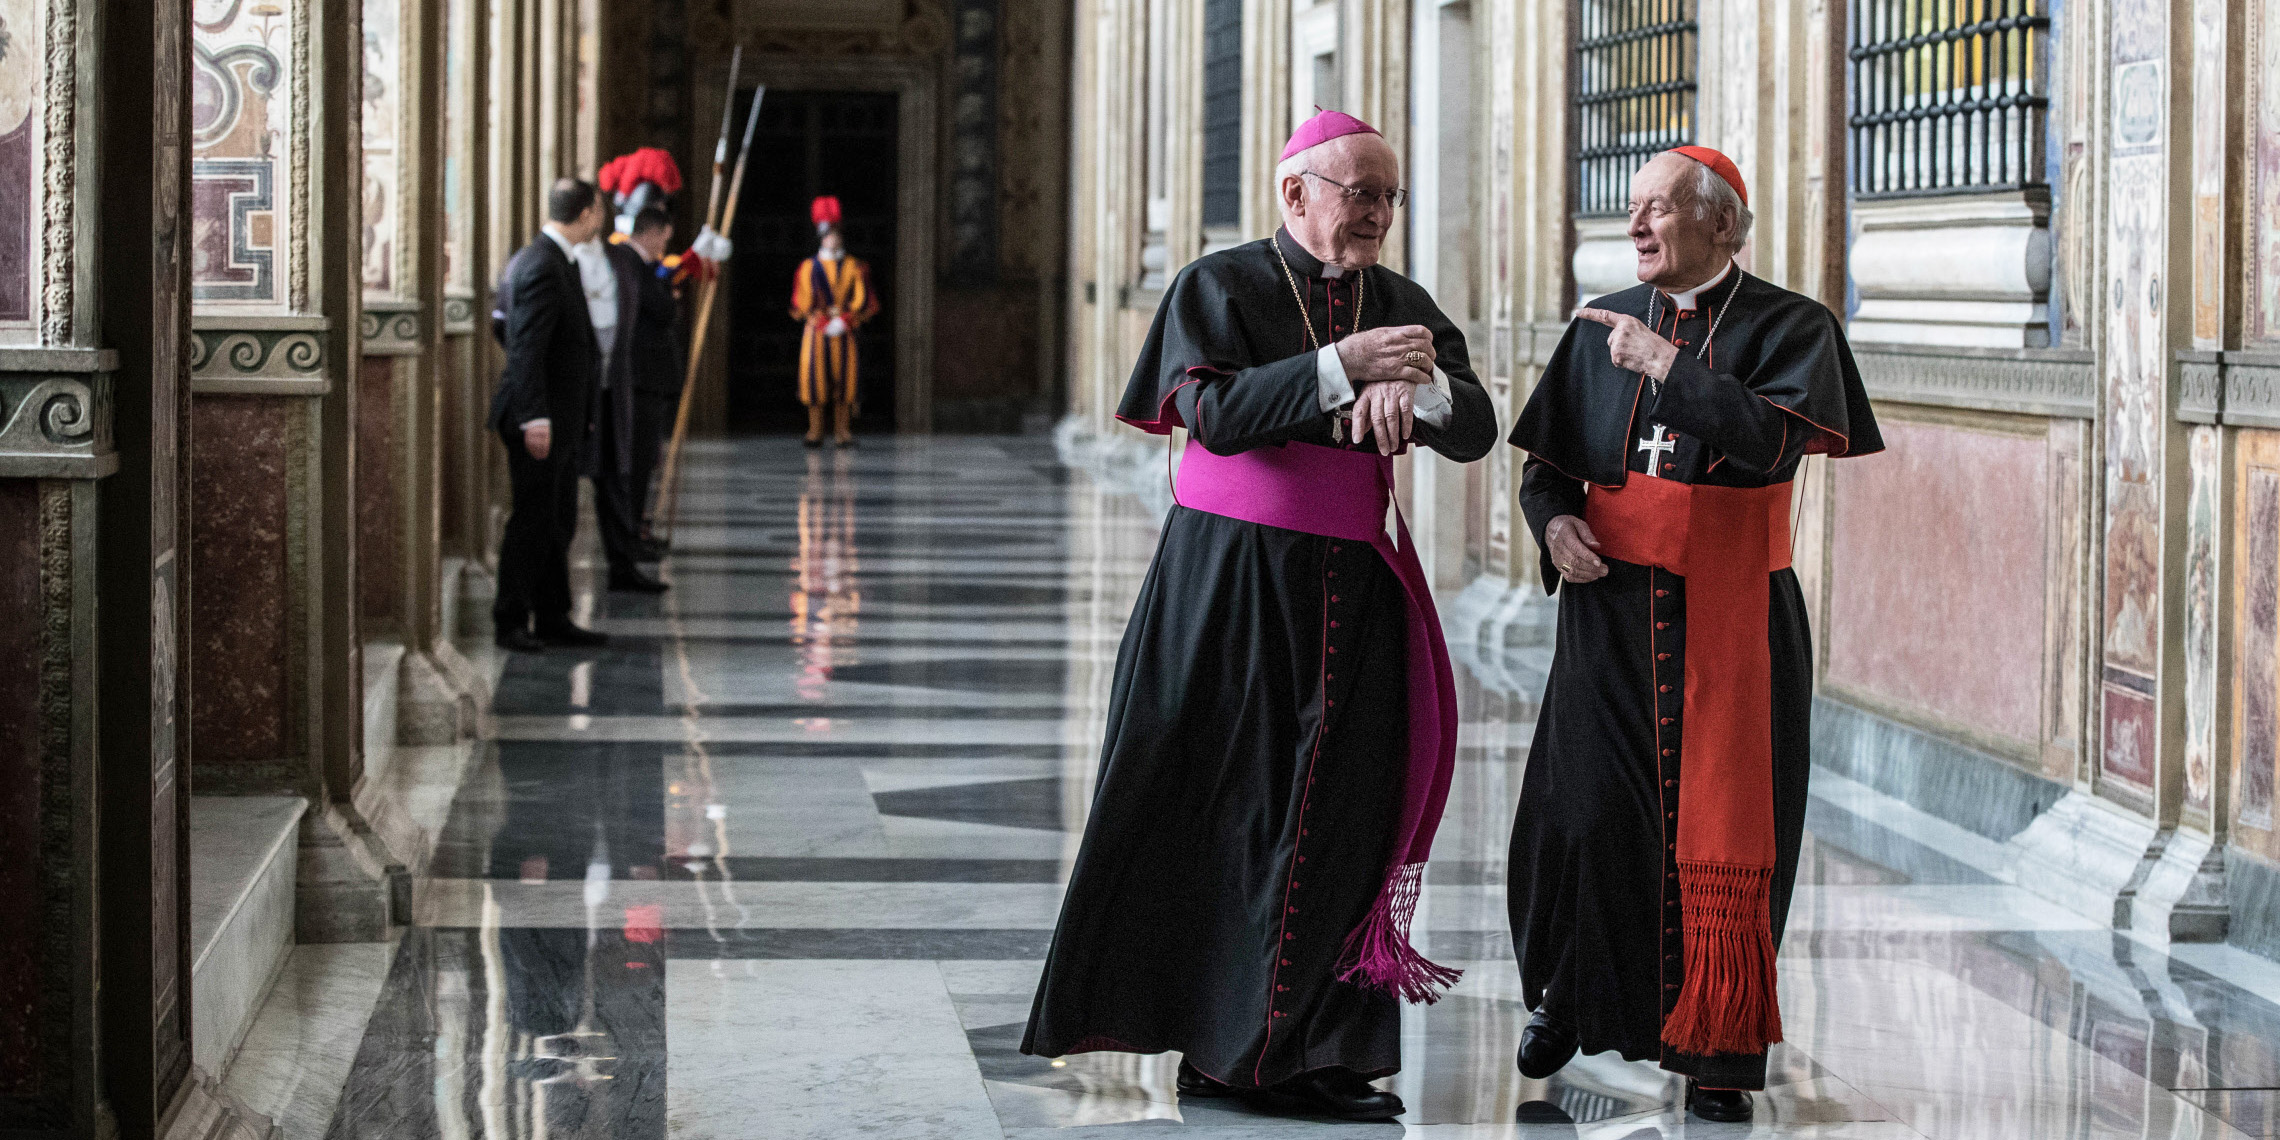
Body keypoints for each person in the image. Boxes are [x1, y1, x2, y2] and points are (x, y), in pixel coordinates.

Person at [1021, 110, 1498, 1121]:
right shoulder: (1220, 286)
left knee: (1346, 811)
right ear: (1295, 193)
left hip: (1357, 588)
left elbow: (1478, 426)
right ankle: (1224, 1051)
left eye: (1388, 196)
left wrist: (1417, 392)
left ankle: (1322, 1051)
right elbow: (1216, 416)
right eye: (1359, 193)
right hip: (1230, 586)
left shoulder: (1401, 303)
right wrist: (1343, 368)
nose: (1377, 214)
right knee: (1231, 808)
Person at [1502, 147, 1884, 1122]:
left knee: (1733, 831)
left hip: (1736, 611)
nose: (1636, 225)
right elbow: (1546, 468)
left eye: (1659, 208)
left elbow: (1771, 440)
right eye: (1632, 208)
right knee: (1586, 813)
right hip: (1608, 613)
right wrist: (1554, 524)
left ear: (1723, 223)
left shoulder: (1795, 326)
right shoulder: (1601, 324)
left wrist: (1668, 366)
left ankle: (1718, 1046)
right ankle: (1565, 998)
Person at [488, 178, 613, 652]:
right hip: (538, 419)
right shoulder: (542, 264)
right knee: (533, 521)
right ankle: (510, 620)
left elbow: (506, 327)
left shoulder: (553, 258)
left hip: (556, 415)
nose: (601, 220)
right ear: (585, 213)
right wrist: (535, 416)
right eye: (599, 211)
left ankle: (553, 615)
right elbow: (524, 345)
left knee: (557, 520)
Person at [616, 207, 692, 558]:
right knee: (636, 462)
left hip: (647, 379)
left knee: (644, 461)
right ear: (652, 232)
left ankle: (637, 528)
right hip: (640, 378)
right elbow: (661, 310)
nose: (664, 246)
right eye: (664, 239)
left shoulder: (639, 265)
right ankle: (630, 534)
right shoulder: (631, 263)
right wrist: (669, 297)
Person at [789, 196, 878, 447]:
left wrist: (845, 320)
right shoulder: (808, 267)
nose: (833, 239)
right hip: (817, 332)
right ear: (821, 237)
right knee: (814, 382)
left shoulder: (855, 267)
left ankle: (842, 431)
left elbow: (863, 299)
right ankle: (815, 430)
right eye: (828, 235)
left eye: (836, 234)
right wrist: (821, 322)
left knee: (846, 383)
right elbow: (802, 302)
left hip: (845, 329)